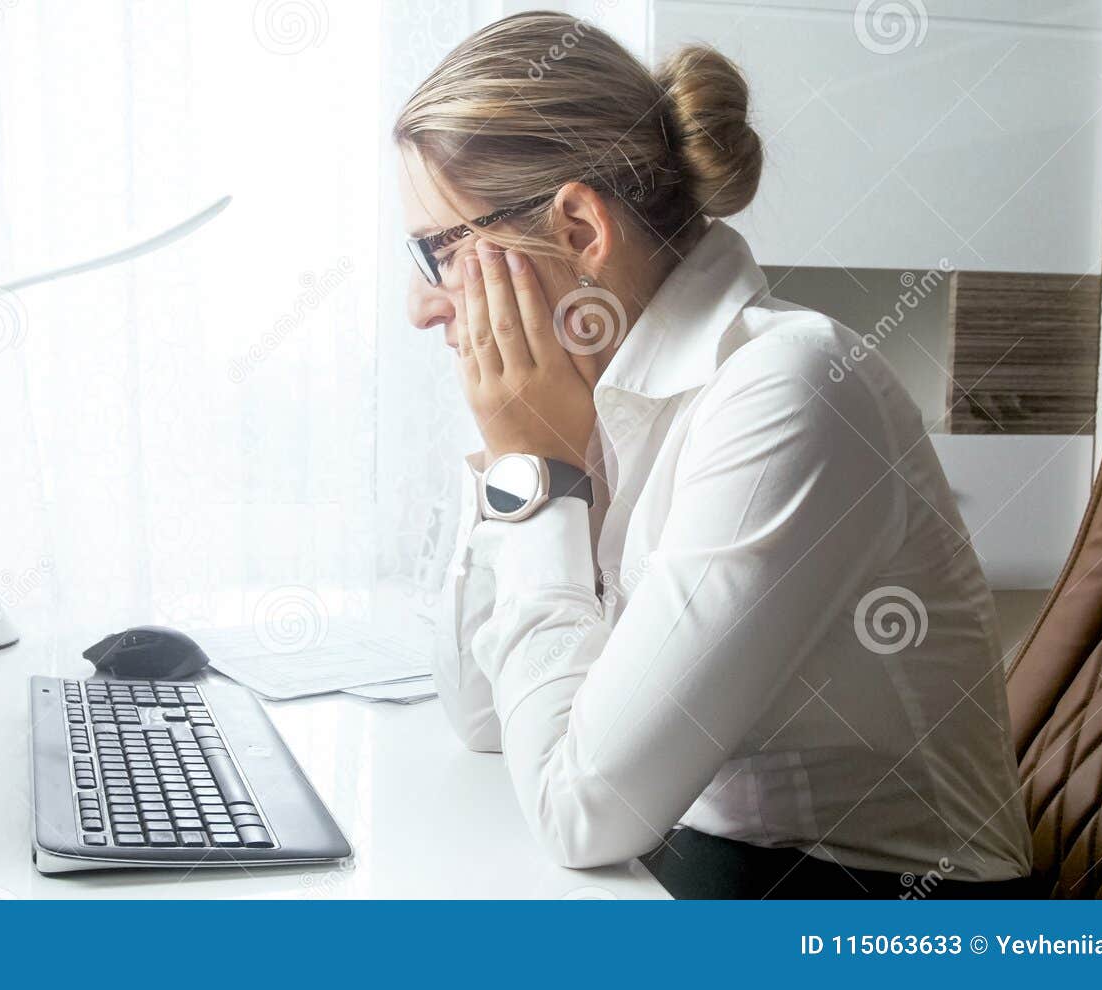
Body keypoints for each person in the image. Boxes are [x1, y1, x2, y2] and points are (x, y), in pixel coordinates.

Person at [395, 12, 1034, 898]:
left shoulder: (791, 392)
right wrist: (520, 456)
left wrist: (540, 477)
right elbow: (481, 714)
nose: (423, 307)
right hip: (703, 867)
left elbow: (584, 811)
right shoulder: (597, 402)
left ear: (580, 229)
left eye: (438, 252)